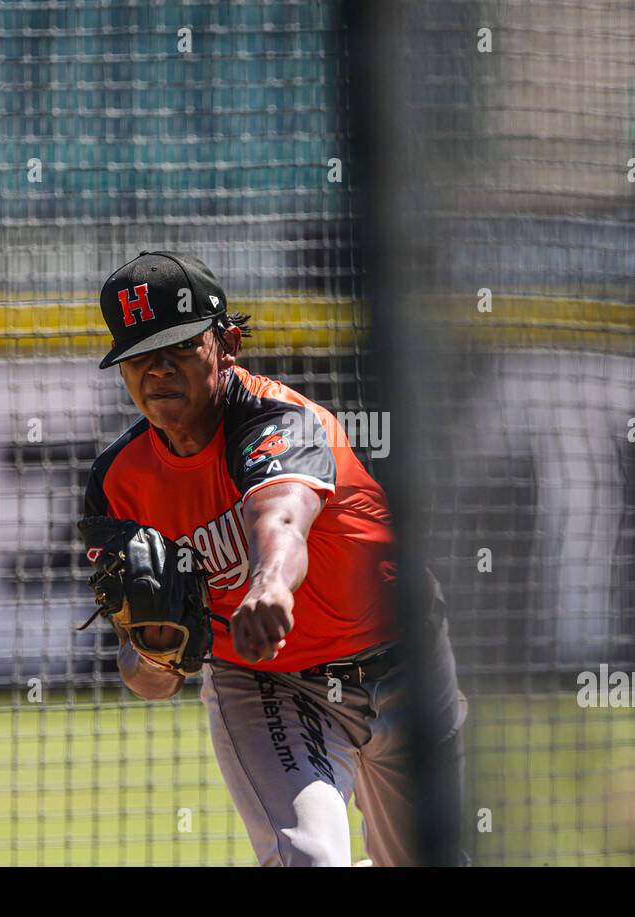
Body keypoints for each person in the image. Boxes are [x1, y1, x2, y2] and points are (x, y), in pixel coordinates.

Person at [82, 250, 467, 866]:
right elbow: (145, 677)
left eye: (177, 349)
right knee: (306, 858)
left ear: (227, 343)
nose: (157, 371)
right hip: (269, 683)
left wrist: (271, 584)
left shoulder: (279, 420)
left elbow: (282, 513)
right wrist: (155, 649)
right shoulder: (116, 484)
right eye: (137, 356)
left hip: (404, 659)